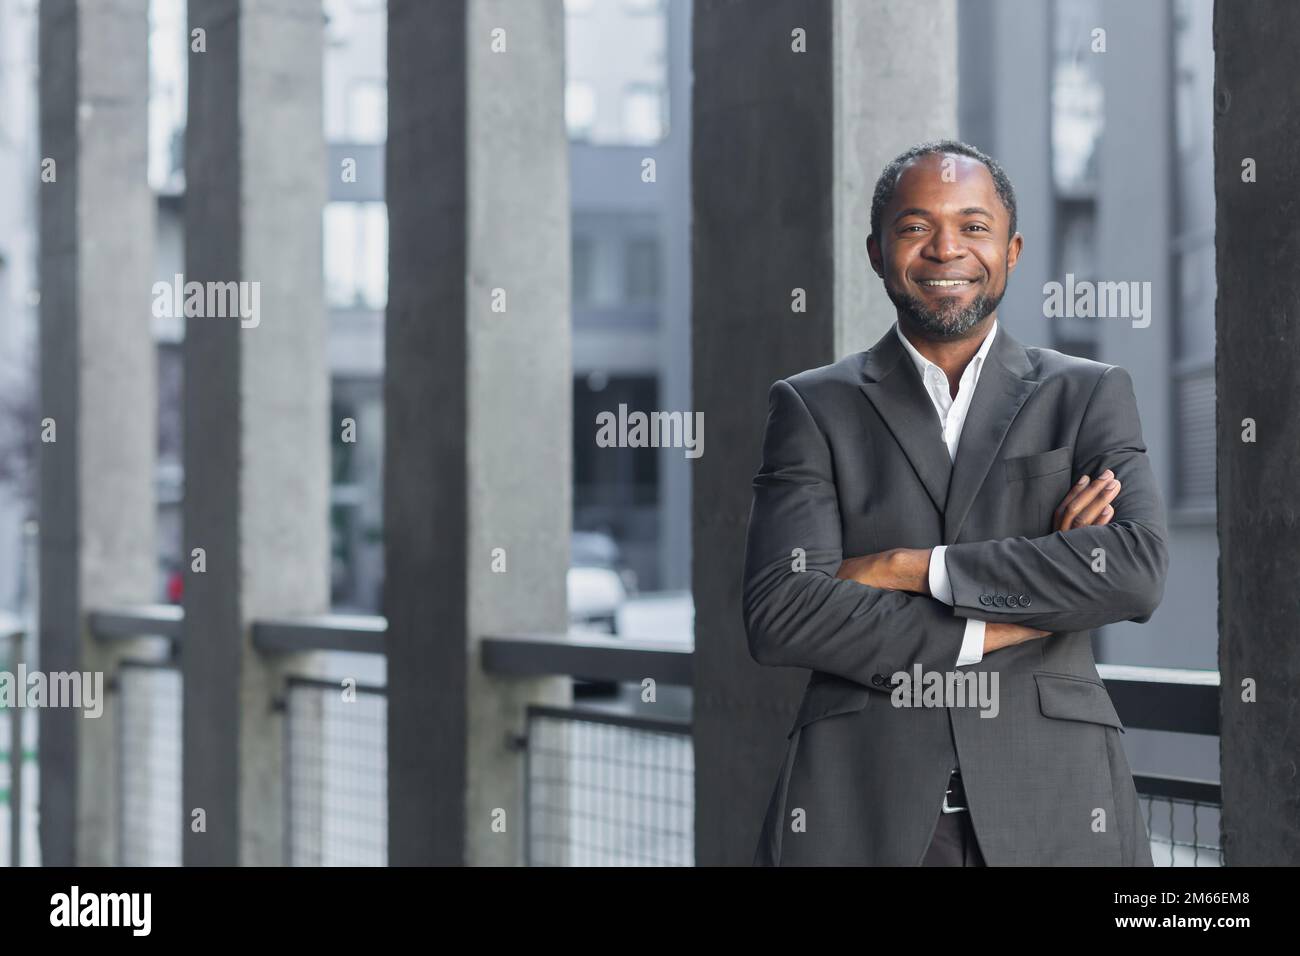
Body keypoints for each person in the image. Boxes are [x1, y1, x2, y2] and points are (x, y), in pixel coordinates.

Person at [743, 140, 1168, 866]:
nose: (948, 250)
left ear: (1011, 250)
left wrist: (909, 565)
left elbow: (1132, 572)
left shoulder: (1088, 392)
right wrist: (1020, 604)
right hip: (863, 798)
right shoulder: (812, 407)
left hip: (1056, 799)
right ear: (877, 253)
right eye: (916, 228)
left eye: (974, 227)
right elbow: (781, 610)